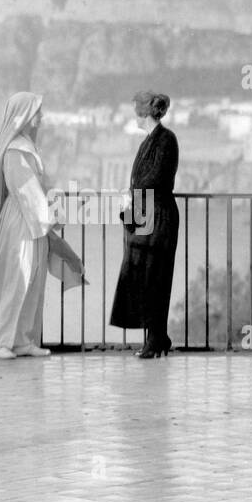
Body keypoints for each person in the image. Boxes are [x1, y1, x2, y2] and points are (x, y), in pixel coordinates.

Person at [0, 92, 59, 359]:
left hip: (34, 220)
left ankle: (22, 339)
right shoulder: (16, 150)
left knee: (33, 279)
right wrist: (48, 216)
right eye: (37, 111)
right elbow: (25, 189)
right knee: (16, 280)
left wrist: (52, 209)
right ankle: (2, 341)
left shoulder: (27, 146)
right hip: (21, 220)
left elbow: (42, 185)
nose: (41, 117)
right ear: (26, 116)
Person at [109, 91, 179, 358]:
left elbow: (156, 177)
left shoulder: (165, 139)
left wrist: (131, 194)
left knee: (155, 276)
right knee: (143, 275)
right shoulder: (151, 141)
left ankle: (156, 338)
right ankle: (158, 336)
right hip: (147, 215)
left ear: (144, 113)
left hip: (158, 217)